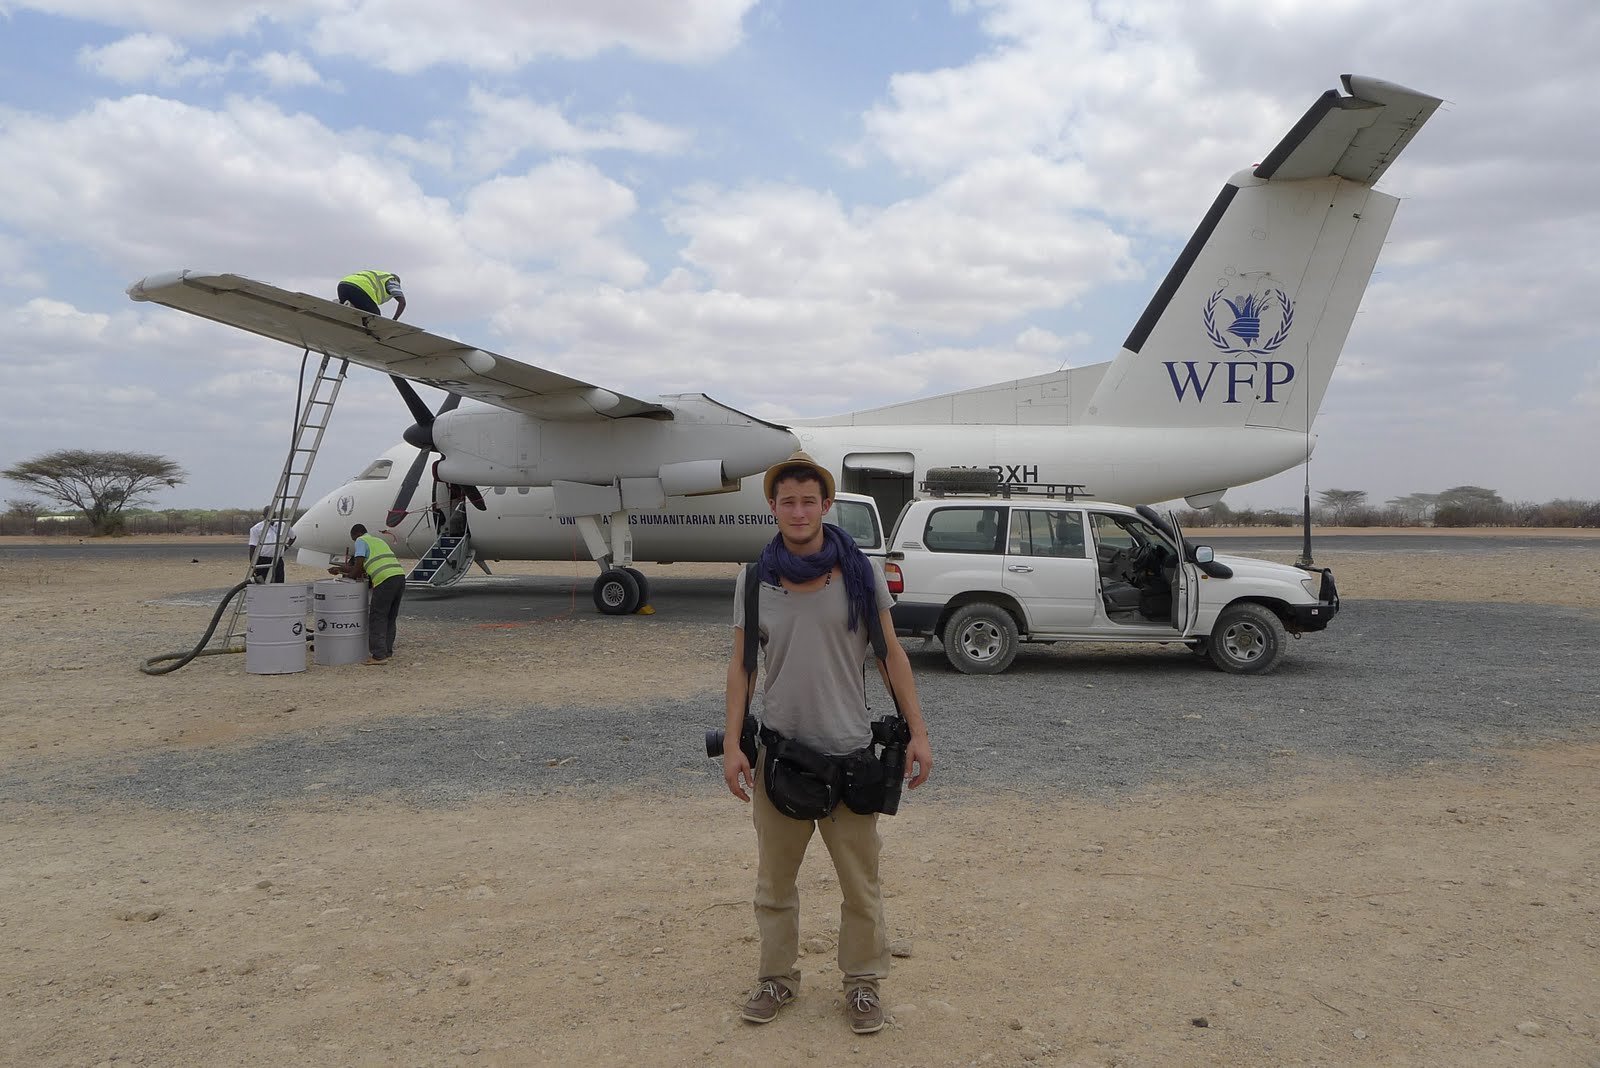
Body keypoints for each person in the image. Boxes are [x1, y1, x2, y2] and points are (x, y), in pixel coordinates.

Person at [722, 451, 933, 1035]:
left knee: (861, 887)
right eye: (786, 501)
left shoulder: (861, 574)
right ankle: (776, 979)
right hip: (781, 758)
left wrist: (918, 732)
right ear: (772, 507)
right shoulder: (754, 580)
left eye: (807, 500)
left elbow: (891, 654)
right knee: (774, 885)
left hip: (850, 755)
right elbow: (741, 667)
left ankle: (862, 986)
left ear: (825, 505)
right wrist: (738, 746)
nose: (797, 510)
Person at [329, 523, 406, 665]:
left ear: (356, 534)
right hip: (399, 577)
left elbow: (358, 567)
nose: (354, 542)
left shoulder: (361, 541)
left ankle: (378, 655)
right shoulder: (378, 541)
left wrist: (348, 578)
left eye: (353, 539)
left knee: (377, 616)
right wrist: (340, 569)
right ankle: (387, 652)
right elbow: (364, 566)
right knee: (390, 617)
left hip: (384, 580)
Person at [246, 507, 295, 583]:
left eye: (273, 513)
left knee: (279, 583)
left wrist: (285, 548)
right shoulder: (256, 529)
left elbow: (293, 537)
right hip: (263, 560)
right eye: (268, 513)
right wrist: (253, 566)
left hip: (278, 559)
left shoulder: (283, 525)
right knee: (263, 583)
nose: (271, 515)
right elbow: (252, 548)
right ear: (264, 515)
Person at [336, 270, 406, 319]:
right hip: (359, 289)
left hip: (343, 285)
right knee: (375, 317)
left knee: (361, 311)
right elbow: (402, 302)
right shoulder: (392, 280)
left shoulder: (379, 275)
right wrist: (394, 320)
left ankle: (346, 304)